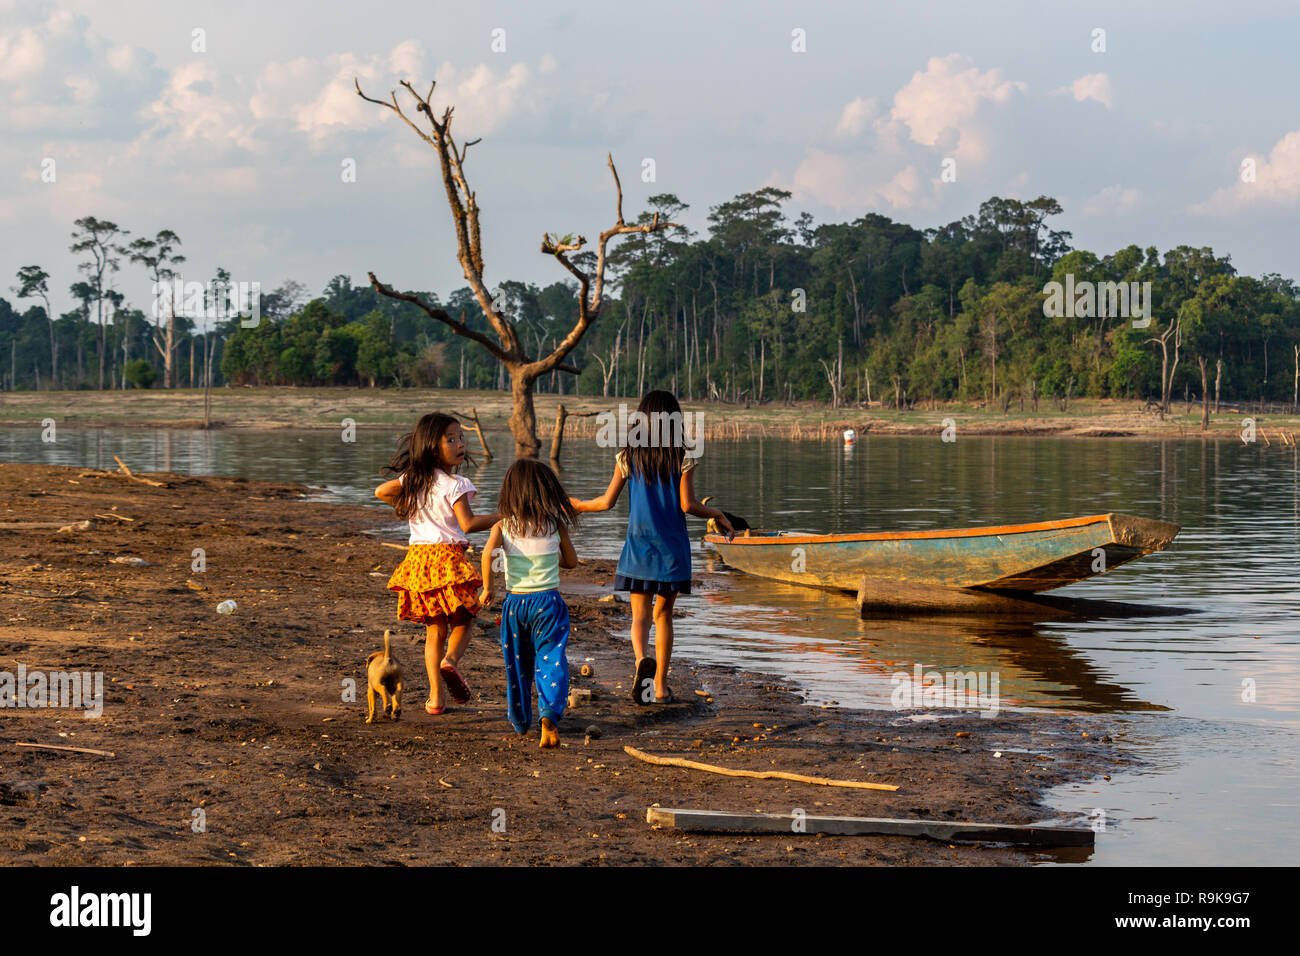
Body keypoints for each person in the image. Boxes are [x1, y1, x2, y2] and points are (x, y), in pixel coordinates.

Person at [570, 390, 732, 705]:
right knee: (664, 617)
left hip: (638, 548)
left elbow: (606, 502)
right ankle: (659, 687)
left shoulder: (628, 456)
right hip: (672, 550)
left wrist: (577, 504)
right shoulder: (683, 457)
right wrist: (717, 513)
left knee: (640, 617)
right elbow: (687, 505)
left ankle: (641, 660)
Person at [375, 413, 499, 715]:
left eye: (461, 437)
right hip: (447, 560)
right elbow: (467, 524)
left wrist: (406, 505)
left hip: (418, 561)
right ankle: (451, 662)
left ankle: (435, 699)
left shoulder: (413, 480)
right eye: (451, 439)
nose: (460, 444)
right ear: (433, 447)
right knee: (465, 620)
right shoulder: (455, 484)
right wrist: (503, 517)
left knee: (434, 632)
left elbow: (381, 491)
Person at [479, 459, 578, 748]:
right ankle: (549, 716)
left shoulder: (502, 526)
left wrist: (488, 589)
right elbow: (571, 562)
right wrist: (550, 559)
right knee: (551, 658)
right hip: (548, 602)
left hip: (515, 604)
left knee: (517, 664)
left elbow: (487, 556)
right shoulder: (555, 524)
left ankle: (521, 722)